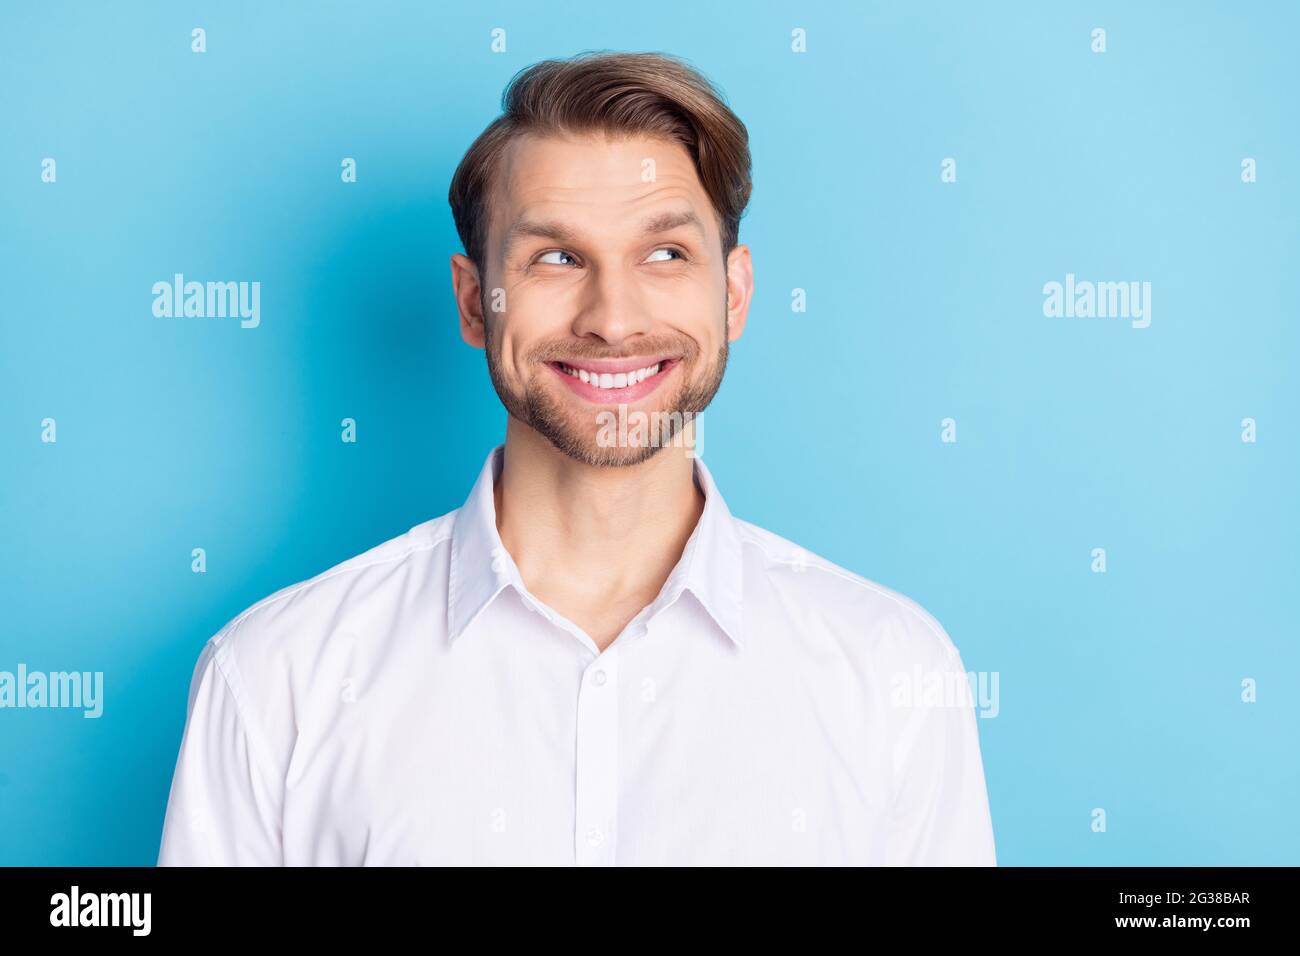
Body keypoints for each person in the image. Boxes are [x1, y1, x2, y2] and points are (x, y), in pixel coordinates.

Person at [157, 50, 996, 866]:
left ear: (733, 294)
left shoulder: (894, 673)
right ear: (472, 302)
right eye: (556, 257)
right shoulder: (275, 677)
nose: (613, 318)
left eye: (665, 254)